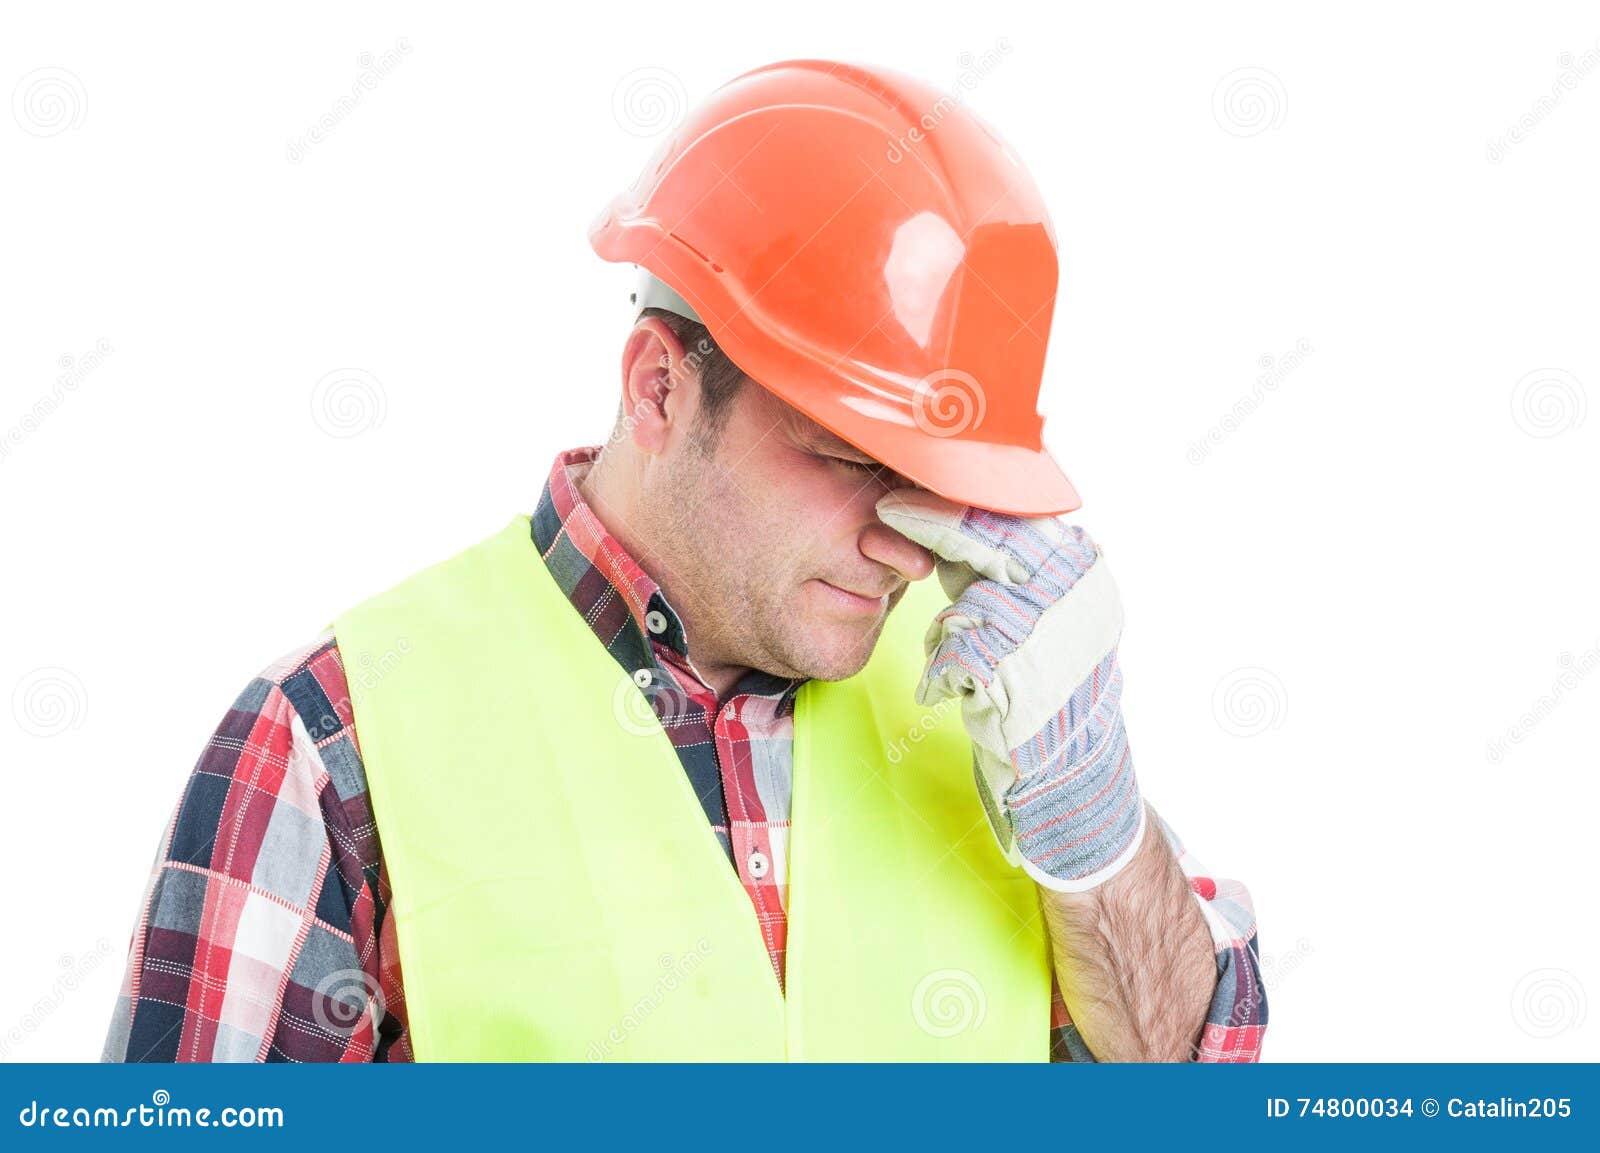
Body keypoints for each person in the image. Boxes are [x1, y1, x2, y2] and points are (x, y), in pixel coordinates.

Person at [103, 59, 1265, 1062]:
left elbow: (1190, 1087)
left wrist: (1097, 848)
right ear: (658, 385)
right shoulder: (332, 740)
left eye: (941, 481)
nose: (904, 541)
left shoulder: (996, 707)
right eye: (848, 457)